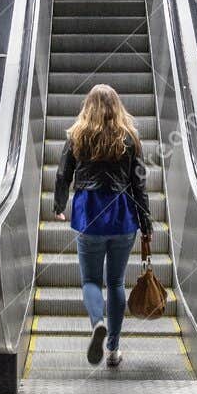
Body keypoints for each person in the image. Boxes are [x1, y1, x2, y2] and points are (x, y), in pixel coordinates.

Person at [52, 84, 152, 368]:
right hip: (122, 215)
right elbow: (139, 184)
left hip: (90, 213)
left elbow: (63, 175)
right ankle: (113, 349)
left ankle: (98, 323)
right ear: (117, 107)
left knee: (90, 281)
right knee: (117, 282)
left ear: (88, 106)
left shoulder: (77, 135)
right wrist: (146, 223)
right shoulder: (130, 137)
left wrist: (59, 206)